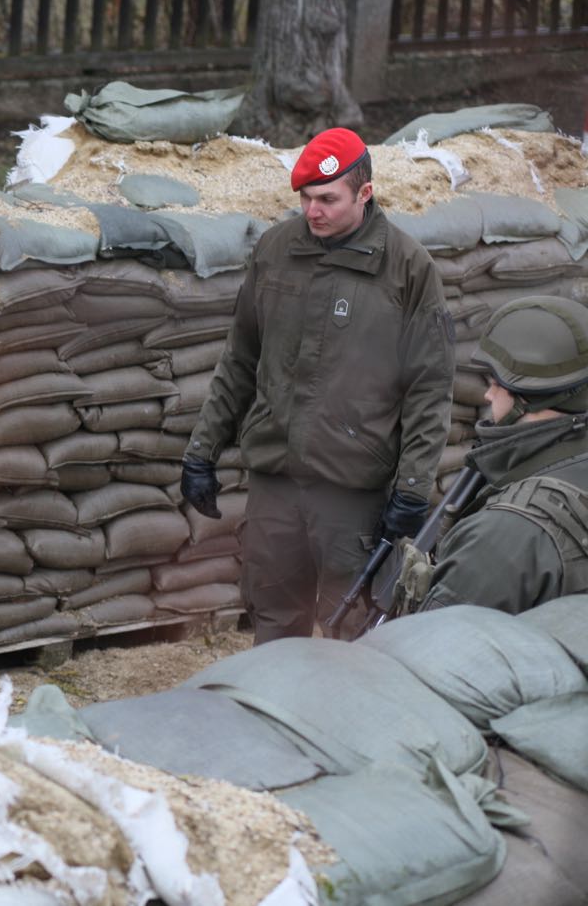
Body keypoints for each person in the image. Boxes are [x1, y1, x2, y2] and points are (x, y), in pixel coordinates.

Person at [179, 127, 454, 642]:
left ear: (365, 194)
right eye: (306, 198)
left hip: (351, 491)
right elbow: (239, 359)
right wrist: (202, 452)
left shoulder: (408, 268)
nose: (313, 211)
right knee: (272, 618)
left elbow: (429, 388)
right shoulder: (276, 250)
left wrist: (413, 489)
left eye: (328, 199)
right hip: (275, 482)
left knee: (353, 628)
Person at [416, 296, 588, 613]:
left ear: (530, 400)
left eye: (496, 384)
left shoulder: (501, 536)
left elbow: (435, 647)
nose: (487, 394)